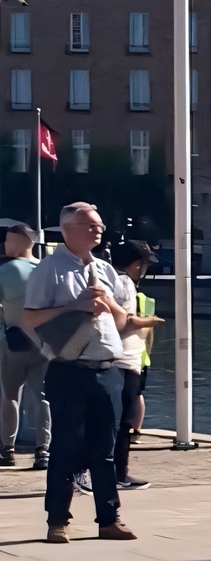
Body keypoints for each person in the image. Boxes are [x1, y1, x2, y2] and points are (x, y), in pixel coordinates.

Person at [17, 201, 138, 540]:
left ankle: (109, 519)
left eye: (99, 225)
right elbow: (29, 319)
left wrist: (108, 302)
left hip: (107, 370)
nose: (97, 230)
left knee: (106, 448)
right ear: (68, 228)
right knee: (67, 445)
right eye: (89, 225)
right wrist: (76, 305)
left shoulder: (106, 270)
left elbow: (121, 321)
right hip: (68, 369)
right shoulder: (49, 269)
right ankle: (58, 520)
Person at [106, 239, 161, 492]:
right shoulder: (126, 283)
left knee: (106, 421)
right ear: (137, 264)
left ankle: (96, 474)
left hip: (107, 360)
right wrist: (147, 321)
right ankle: (119, 473)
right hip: (125, 360)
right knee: (123, 423)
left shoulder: (106, 277)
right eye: (145, 265)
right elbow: (123, 322)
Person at [1, 218, 48, 470]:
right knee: (42, 397)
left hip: (12, 341)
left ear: (19, 242)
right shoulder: (45, 271)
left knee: (9, 396)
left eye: (7, 239)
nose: (4, 244)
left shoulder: (4, 271)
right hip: (43, 343)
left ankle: (7, 450)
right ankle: (43, 451)